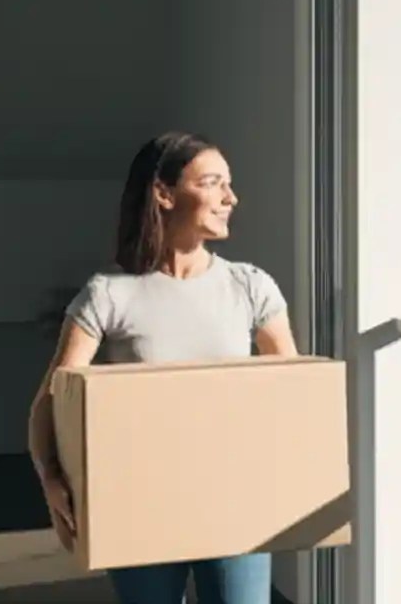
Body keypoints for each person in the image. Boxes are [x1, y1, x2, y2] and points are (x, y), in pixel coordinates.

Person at [27, 131, 299, 604]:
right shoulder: (109, 294)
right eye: (213, 183)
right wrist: (52, 478)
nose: (229, 198)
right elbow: (55, 398)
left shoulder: (251, 287)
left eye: (228, 185)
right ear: (164, 193)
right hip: (140, 505)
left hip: (236, 500)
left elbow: (294, 393)